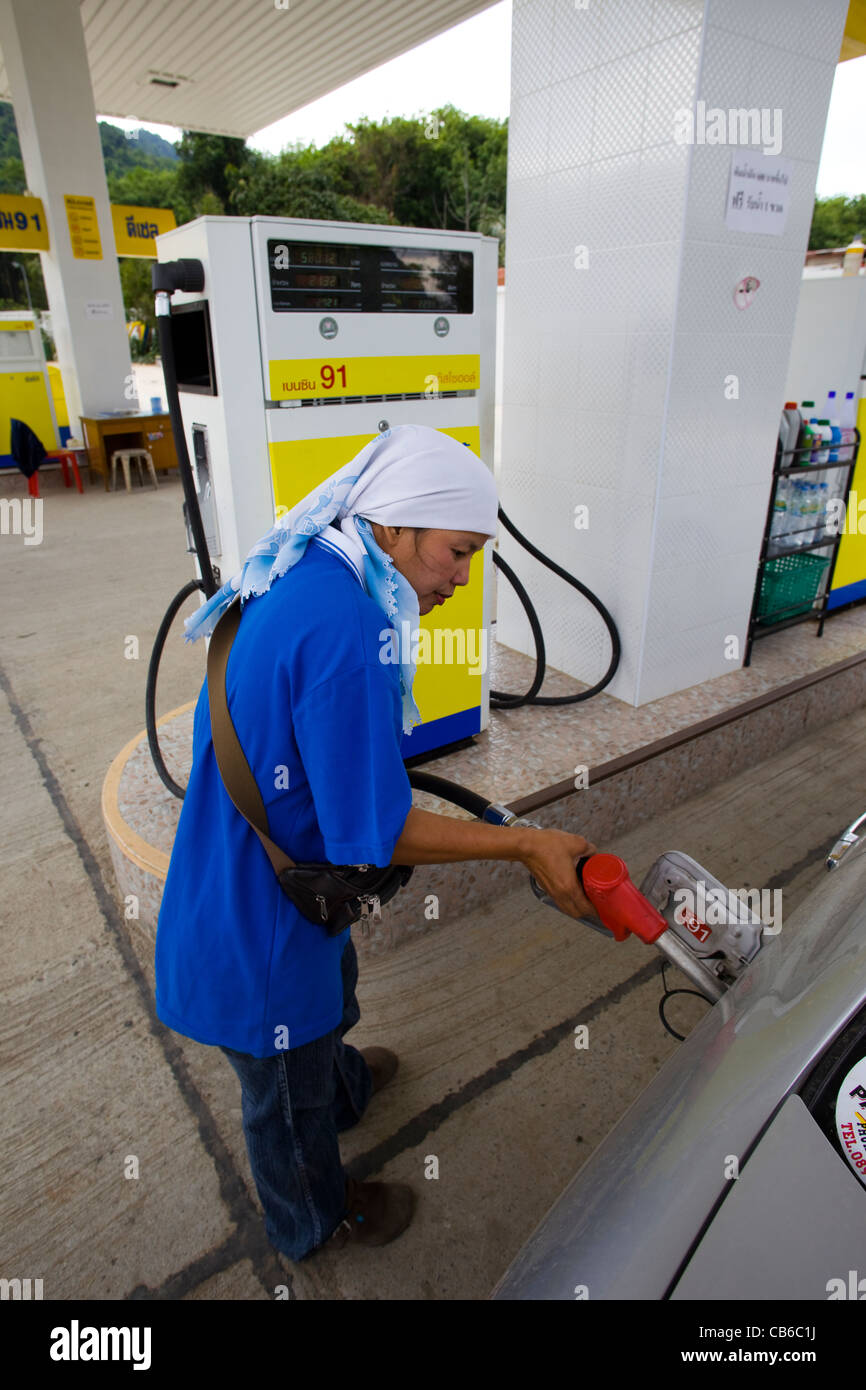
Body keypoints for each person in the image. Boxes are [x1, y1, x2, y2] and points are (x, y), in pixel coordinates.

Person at [154, 424, 596, 1262]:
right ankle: (314, 1220)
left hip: (250, 874)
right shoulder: (352, 629)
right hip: (259, 936)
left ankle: (346, 1085)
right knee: (286, 1104)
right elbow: (379, 832)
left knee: (334, 1010)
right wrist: (525, 845)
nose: (462, 580)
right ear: (395, 528)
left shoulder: (310, 565)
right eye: (457, 553)